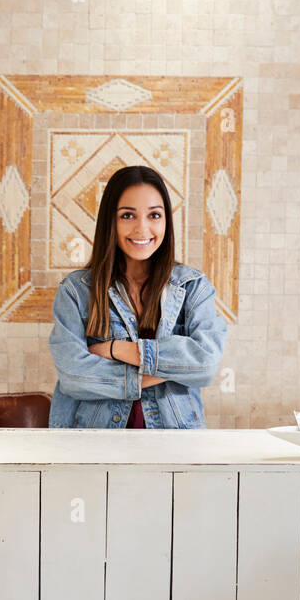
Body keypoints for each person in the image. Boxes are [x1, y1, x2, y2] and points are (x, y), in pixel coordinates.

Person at [48, 164, 228, 429]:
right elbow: (74, 377)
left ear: (166, 220)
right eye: (128, 216)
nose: (142, 229)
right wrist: (171, 369)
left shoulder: (193, 288)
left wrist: (116, 350)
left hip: (174, 445)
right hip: (92, 444)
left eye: (154, 215)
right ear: (111, 221)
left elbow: (205, 364)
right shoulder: (76, 290)